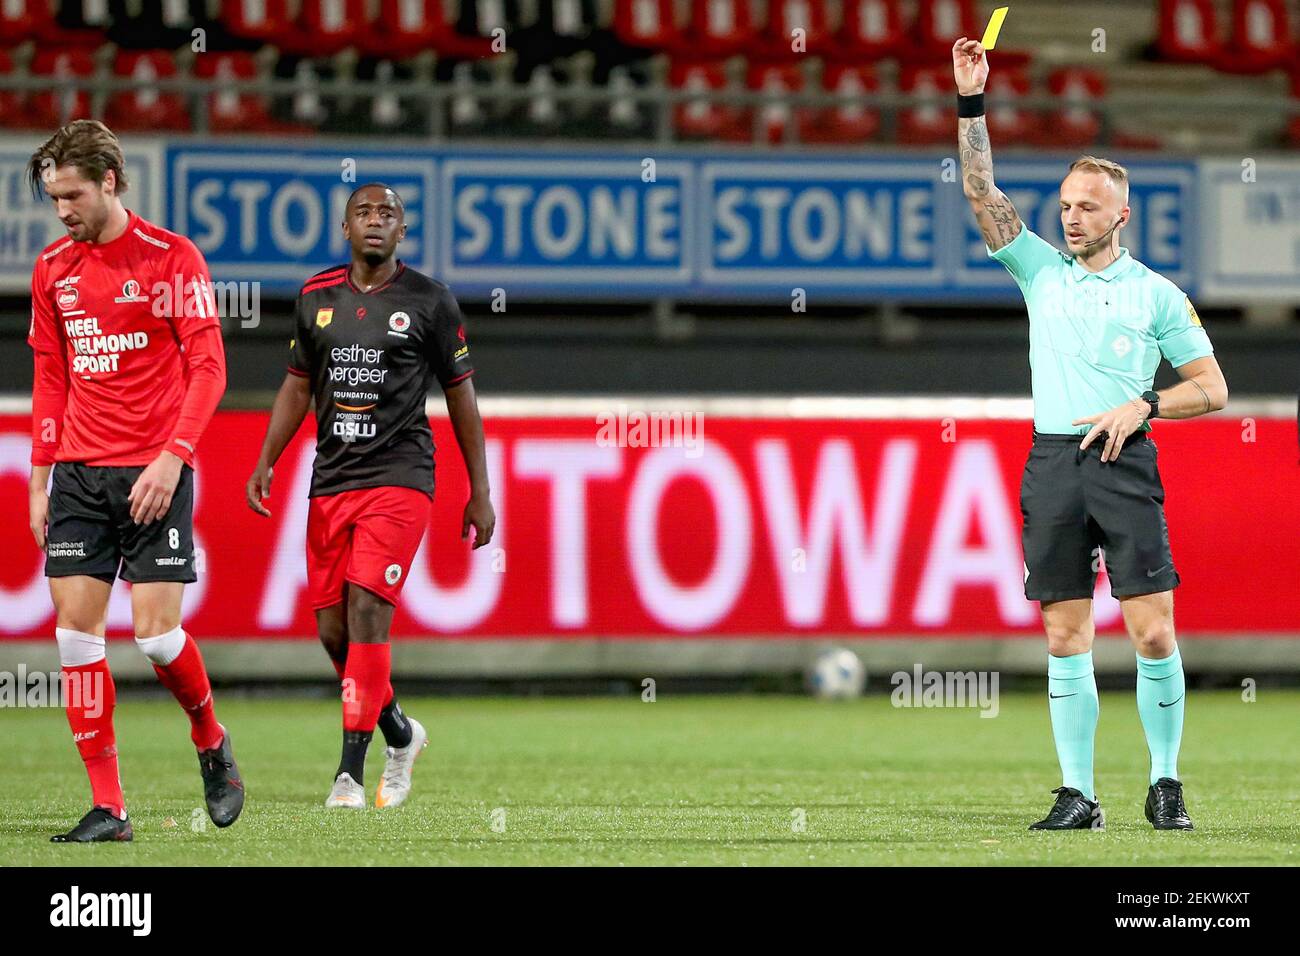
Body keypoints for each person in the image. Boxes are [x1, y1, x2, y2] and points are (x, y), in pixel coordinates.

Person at [952, 38, 1229, 830]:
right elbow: (980, 189)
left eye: (1086, 206)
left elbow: (1212, 388)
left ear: (1121, 213)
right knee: (1065, 634)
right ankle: (1079, 795)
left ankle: (1165, 781)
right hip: (1052, 462)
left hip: (1124, 463)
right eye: (1065, 205)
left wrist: (1144, 405)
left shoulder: (1158, 297)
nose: (1071, 217)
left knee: (1151, 632)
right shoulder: (1040, 271)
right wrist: (972, 100)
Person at [26, 120, 243, 843]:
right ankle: (110, 808)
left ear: (110, 181)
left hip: (155, 471)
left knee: (155, 640)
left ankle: (211, 741)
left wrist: (173, 455)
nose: (62, 210)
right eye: (54, 197)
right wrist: (39, 477)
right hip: (80, 478)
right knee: (76, 641)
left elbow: (209, 368)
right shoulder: (53, 268)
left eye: (73, 194)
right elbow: (51, 378)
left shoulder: (171, 259)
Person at [246, 183, 495, 809]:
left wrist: (479, 489)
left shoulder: (431, 302)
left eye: (388, 214)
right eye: (364, 213)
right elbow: (298, 385)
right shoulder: (315, 297)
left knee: (366, 615)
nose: (375, 222)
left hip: (402, 477)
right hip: (332, 480)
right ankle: (402, 733)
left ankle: (350, 776)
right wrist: (266, 461)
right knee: (334, 634)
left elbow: (461, 394)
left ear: (402, 232)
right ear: (345, 227)